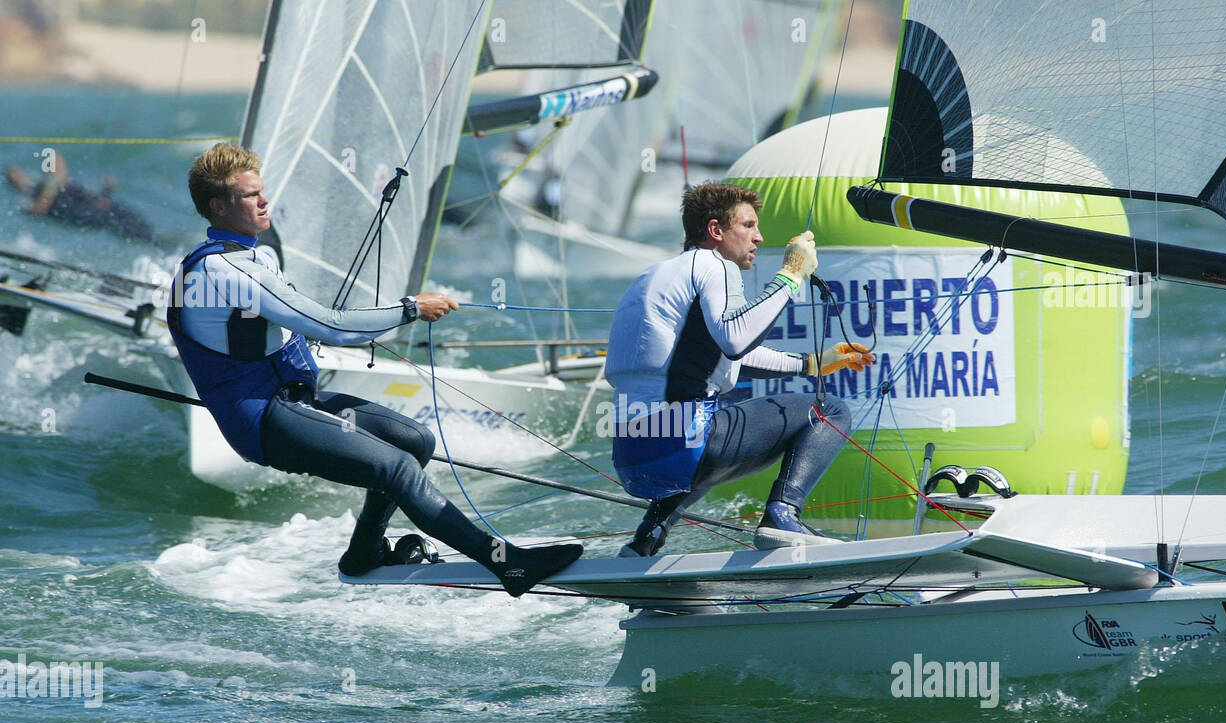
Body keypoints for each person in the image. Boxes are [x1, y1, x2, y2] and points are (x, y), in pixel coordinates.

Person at [170, 142, 581, 595]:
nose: (264, 201)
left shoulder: (255, 257)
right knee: (398, 469)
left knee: (416, 440)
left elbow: (283, 330)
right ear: (218, 206)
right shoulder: (223, 272)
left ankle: (365, 550)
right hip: (264, 417)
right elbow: (330, 325)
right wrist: (410, 308)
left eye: (262, 191)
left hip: (295, 399)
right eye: (250, 196)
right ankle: (508, 563)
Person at [605, 181, 873, 556]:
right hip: (685, 446)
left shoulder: (653, 276)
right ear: (716, 231)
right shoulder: (715, 266)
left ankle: (646, 539)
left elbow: (721, 354)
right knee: (829, 410)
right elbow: (735, 339)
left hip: (632, 459)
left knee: (697, 421)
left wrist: (809, 363)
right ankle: (783, 514)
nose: (759, 237)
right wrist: (792, 274)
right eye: (747, 225)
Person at [6, 154, 154, 241]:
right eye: (15, 176)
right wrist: (56, 179)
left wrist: (106, 191)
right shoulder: (29, 195)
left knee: (136, 222)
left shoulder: (42, 183)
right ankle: (156, 241)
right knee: (125, 226)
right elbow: (38, 210)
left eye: (19, 172)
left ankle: (159, 239)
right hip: (83, 216)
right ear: (12, 182)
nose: (20, 176)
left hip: (99, 206)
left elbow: (80, 194)